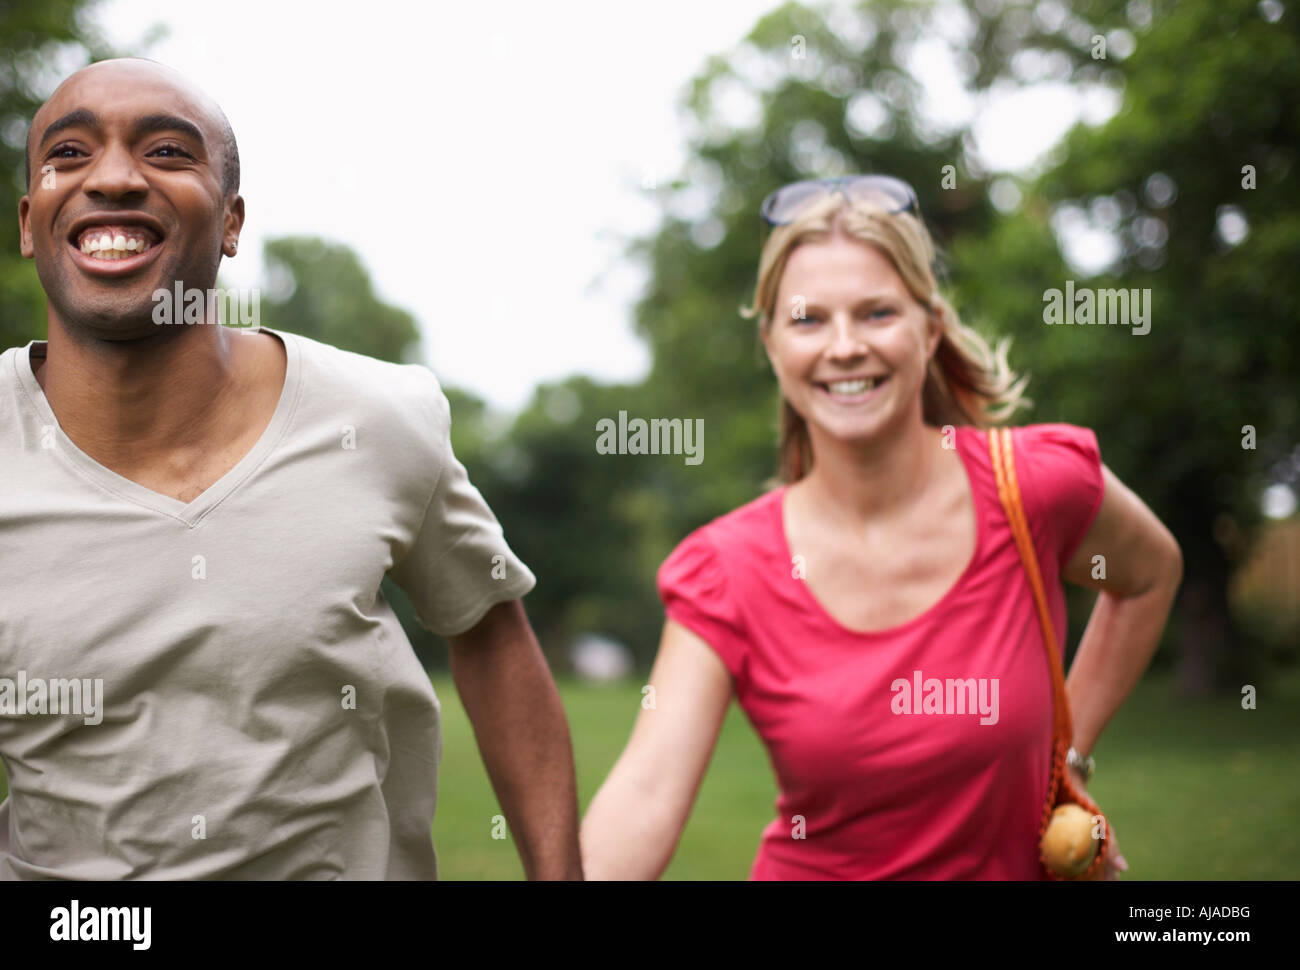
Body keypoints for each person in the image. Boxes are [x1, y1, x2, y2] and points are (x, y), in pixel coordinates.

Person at [0, 58, 582, 880]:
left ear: (232, 222)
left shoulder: (377, 420)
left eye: (167, 152)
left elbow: (489, 633)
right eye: (69, 153)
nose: (116, 177)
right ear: (31, 221)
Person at [580, 175, 1182, 880]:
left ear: (929, 330)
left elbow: (1148, 575)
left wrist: (1067, 759)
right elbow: (648, 792)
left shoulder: (1036, 488)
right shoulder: (728, 569)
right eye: (807, 320)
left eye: (876, 314)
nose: (844, 347)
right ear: (772, 344)